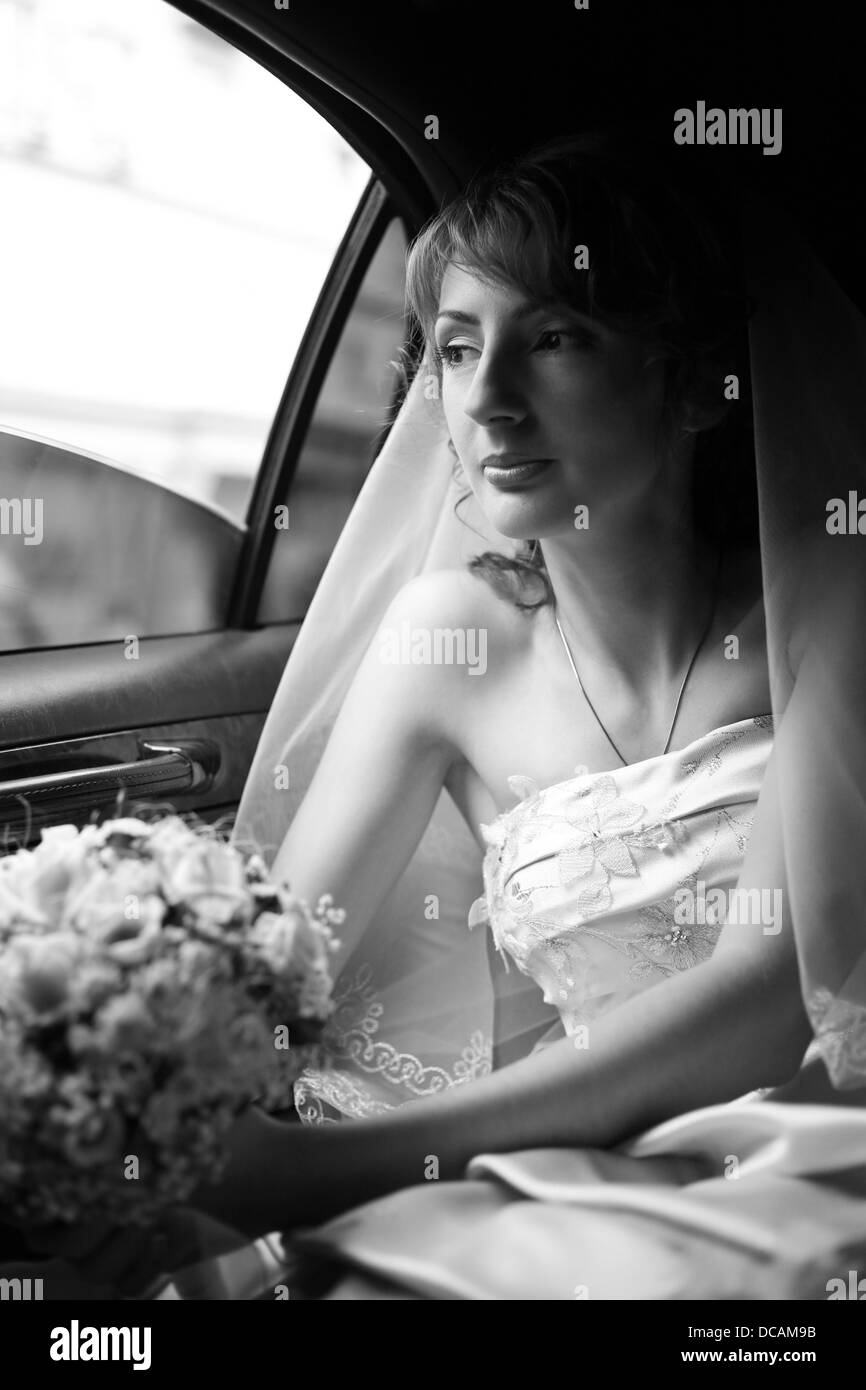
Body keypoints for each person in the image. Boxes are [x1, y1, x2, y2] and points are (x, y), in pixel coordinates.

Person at [24, 131, 866, 1299]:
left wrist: (310, 1175)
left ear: (691, 382)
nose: (485, 399)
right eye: (457, 349)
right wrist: (128, 1112)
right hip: (566, 1172)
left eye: (555, 339)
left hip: (807, 1155)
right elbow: (279, 976)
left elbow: (769, 996)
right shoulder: (446, 641)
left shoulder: (827, 608)